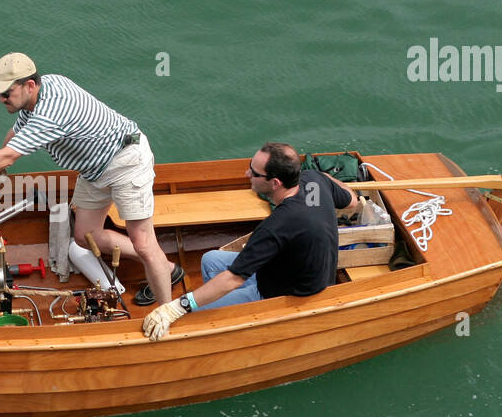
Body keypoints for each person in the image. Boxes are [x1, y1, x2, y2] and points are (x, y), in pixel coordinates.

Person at [0, 53, 181, 305]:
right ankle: (169, 268)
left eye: (6, 93)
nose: (1, 99)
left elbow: (8, 156)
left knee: (143, 243)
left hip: (125, 161)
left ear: (29, 85)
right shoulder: (42, 90)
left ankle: (166, 310)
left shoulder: (52, 112)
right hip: (94, 169)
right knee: (86, 237)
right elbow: (16, 134)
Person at [142, 142, 359, 341]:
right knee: (211, 260)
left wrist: (177, 307)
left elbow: (233, 279)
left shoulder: (278, 225)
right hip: (292, 268)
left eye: (254, 173)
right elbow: (352, 200)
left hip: (286, 292)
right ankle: (231, 314)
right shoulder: (314, 181)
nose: (247, 173)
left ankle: (234, 328)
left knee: (194, 315)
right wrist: (326, 178)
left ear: (275, 183)